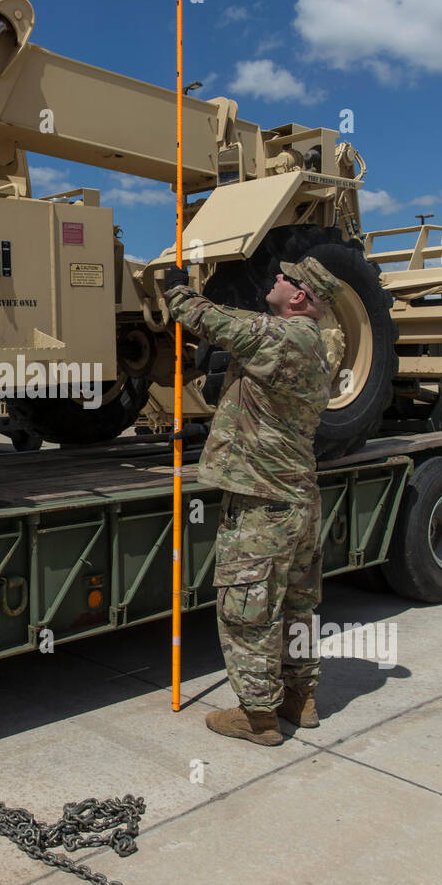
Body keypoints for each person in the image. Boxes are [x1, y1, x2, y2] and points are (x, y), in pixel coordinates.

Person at [164, 255, 342, 746]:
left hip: (263, 503)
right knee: (298, 604)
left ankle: (258, 717)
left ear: (300, 296)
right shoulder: (315, 344)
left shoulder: (281, 338)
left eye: (284, 279)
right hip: (299, 499)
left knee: (248, 610)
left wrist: (177, 290)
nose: (276, 280)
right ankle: (299, 698)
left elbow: (211, 321)